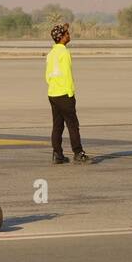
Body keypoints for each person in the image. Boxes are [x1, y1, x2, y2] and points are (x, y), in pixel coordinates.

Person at [46, 23, 90, 164]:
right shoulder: (64, 52)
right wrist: (70, 93)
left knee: (57, 125)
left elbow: (48, 75)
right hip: (64, 94)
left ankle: (58, 154)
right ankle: (78, 152)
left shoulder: (51, 54)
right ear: (62, 38)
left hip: (52, 93)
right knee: (72, 124)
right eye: (67, 34)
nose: (69, 35)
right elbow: (66, 74)